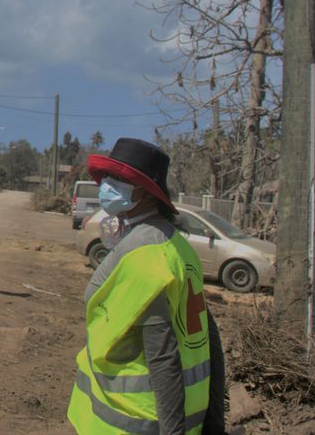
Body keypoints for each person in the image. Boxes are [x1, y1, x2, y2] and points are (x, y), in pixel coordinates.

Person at [67, 138, 225, 435]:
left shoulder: (143, 256)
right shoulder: (177, 245)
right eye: (107, 179)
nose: (108, 187)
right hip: (184, 416)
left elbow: (162, 356)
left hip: (131, 421)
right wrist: (215, 420)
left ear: (146, 192)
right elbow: (208, 336)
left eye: (121, 180)